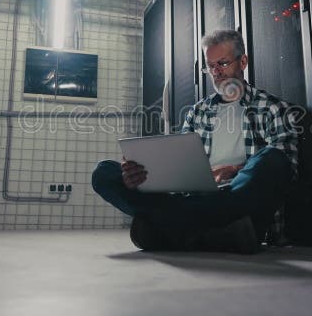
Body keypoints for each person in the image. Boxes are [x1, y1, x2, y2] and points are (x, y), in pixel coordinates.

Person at [92, 29, 299, 254]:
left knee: (273, 159)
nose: (216, 72)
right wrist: (140, 176)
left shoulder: (273, 108)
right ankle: (213, 231)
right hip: (196, 196)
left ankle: (173, 227)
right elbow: (180, 165)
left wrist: (235, 169)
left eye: (222, 63)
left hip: (237, 200)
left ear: (243, 62)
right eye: (210, 66)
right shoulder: (197, 111)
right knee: (104, 173)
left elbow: (285, 168)